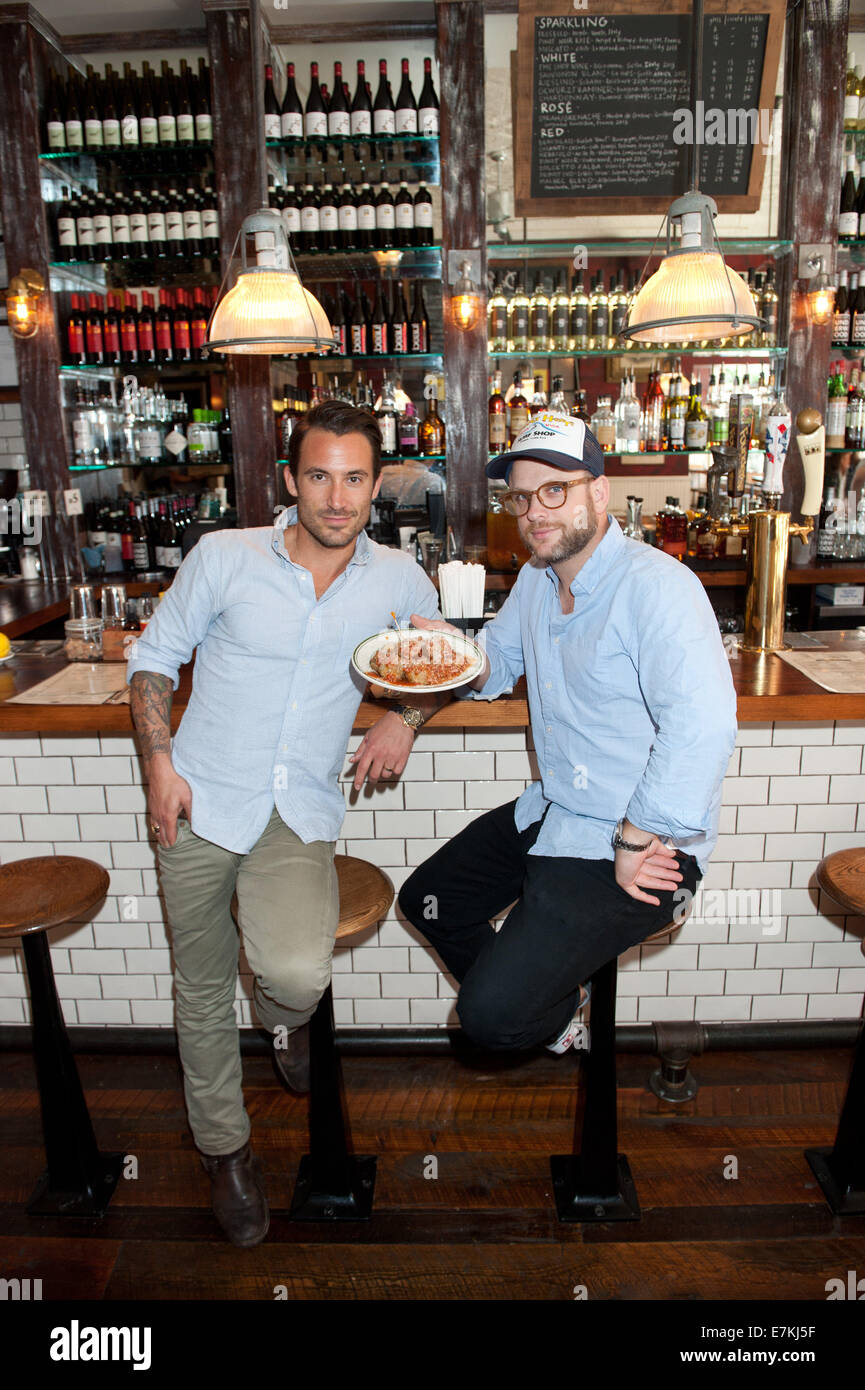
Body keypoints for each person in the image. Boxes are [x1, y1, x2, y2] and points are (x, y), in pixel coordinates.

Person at [127, 400, 444, 1247]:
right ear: (290, 480)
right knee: (197, 984)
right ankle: (225, 1152)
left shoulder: (401, 582)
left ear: (378, 484)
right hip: (197, 799)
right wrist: (159, 767)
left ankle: (280, 1013)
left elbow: (443, 664)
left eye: (353, 479)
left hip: (297, 807)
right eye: (317, 476)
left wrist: (401, 721)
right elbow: (154, 660)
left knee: (299, 974)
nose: (335, 499)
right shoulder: (221, 557)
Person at [399, 411, 737, 1056]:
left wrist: (638, 835)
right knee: (431, 898)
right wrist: (458, 653)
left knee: (490, 1021)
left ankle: (536, 1010)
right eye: (521, 497)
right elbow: (497, 665)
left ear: (598, 493)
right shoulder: (536, 578)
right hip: (557, 810)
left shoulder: (657, 586)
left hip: (642, 843)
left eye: (555, 489)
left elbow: (704, 723)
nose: (534, 511)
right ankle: (554, 1002)